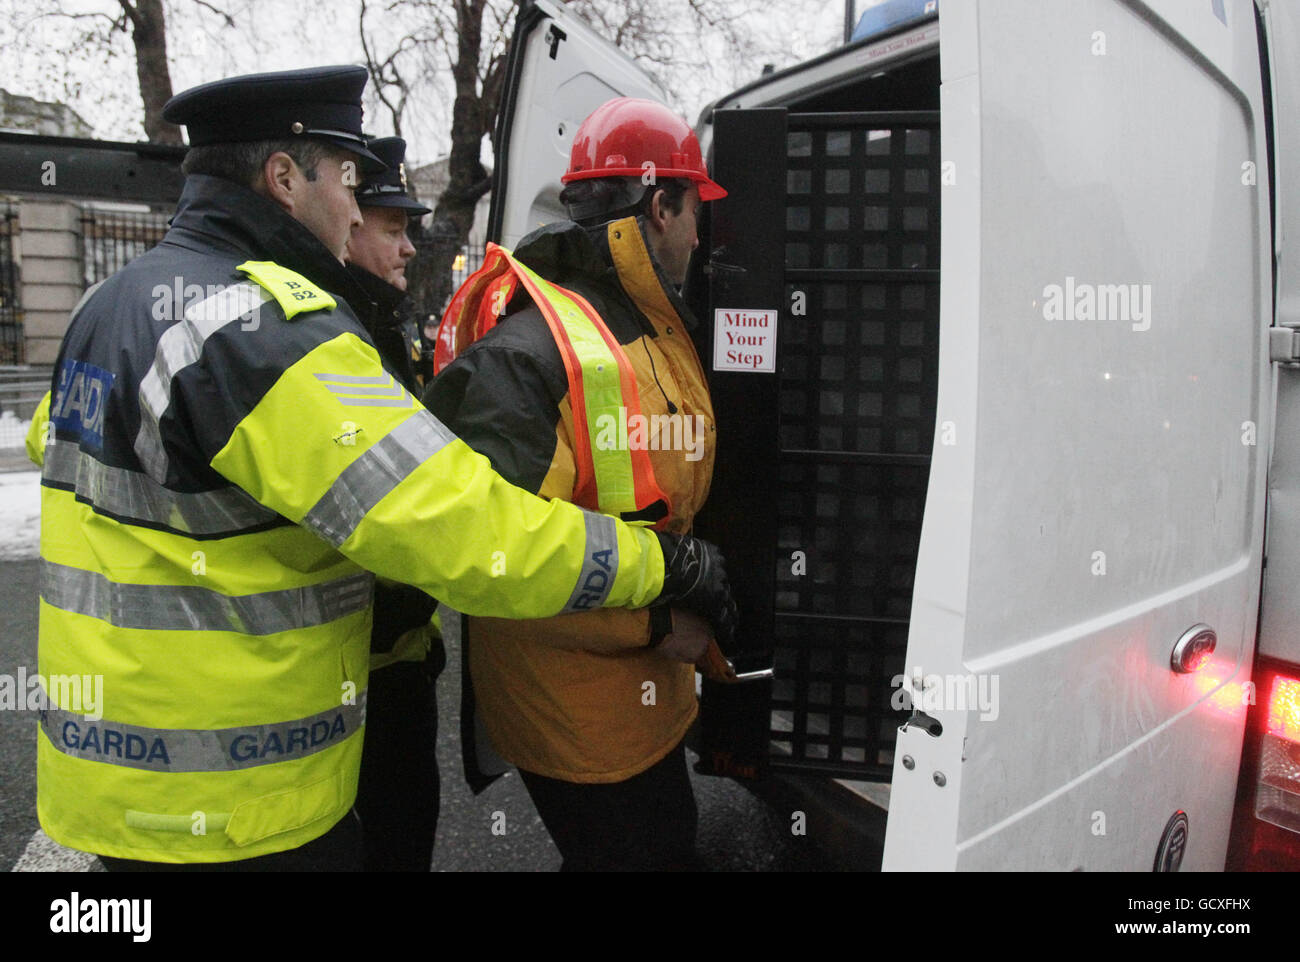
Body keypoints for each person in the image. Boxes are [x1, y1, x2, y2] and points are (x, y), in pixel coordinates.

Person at [35, 69, 735, 870]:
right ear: (285, 177)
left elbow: (68, 464)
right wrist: (666, 563)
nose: (356, 204)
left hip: (117, 784)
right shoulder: (266, 328)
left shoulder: (112, 302)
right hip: (235, 805)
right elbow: (462, 528)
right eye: (349, 180)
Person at [425, 97, 729, 871]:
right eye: (695, 211)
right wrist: (664, 628)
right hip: (577, 720)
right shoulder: (529, 353)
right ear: (661, 206)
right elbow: (497, 565)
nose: (701, 235)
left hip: (636, 700)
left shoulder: (645, 322)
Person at [343, 136, 443, 871]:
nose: (409, 247)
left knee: (407, 827)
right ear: (349, 225)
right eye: (393, 228)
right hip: (356, 668)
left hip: (401, 657)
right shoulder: (331, 333)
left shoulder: (381, 321)